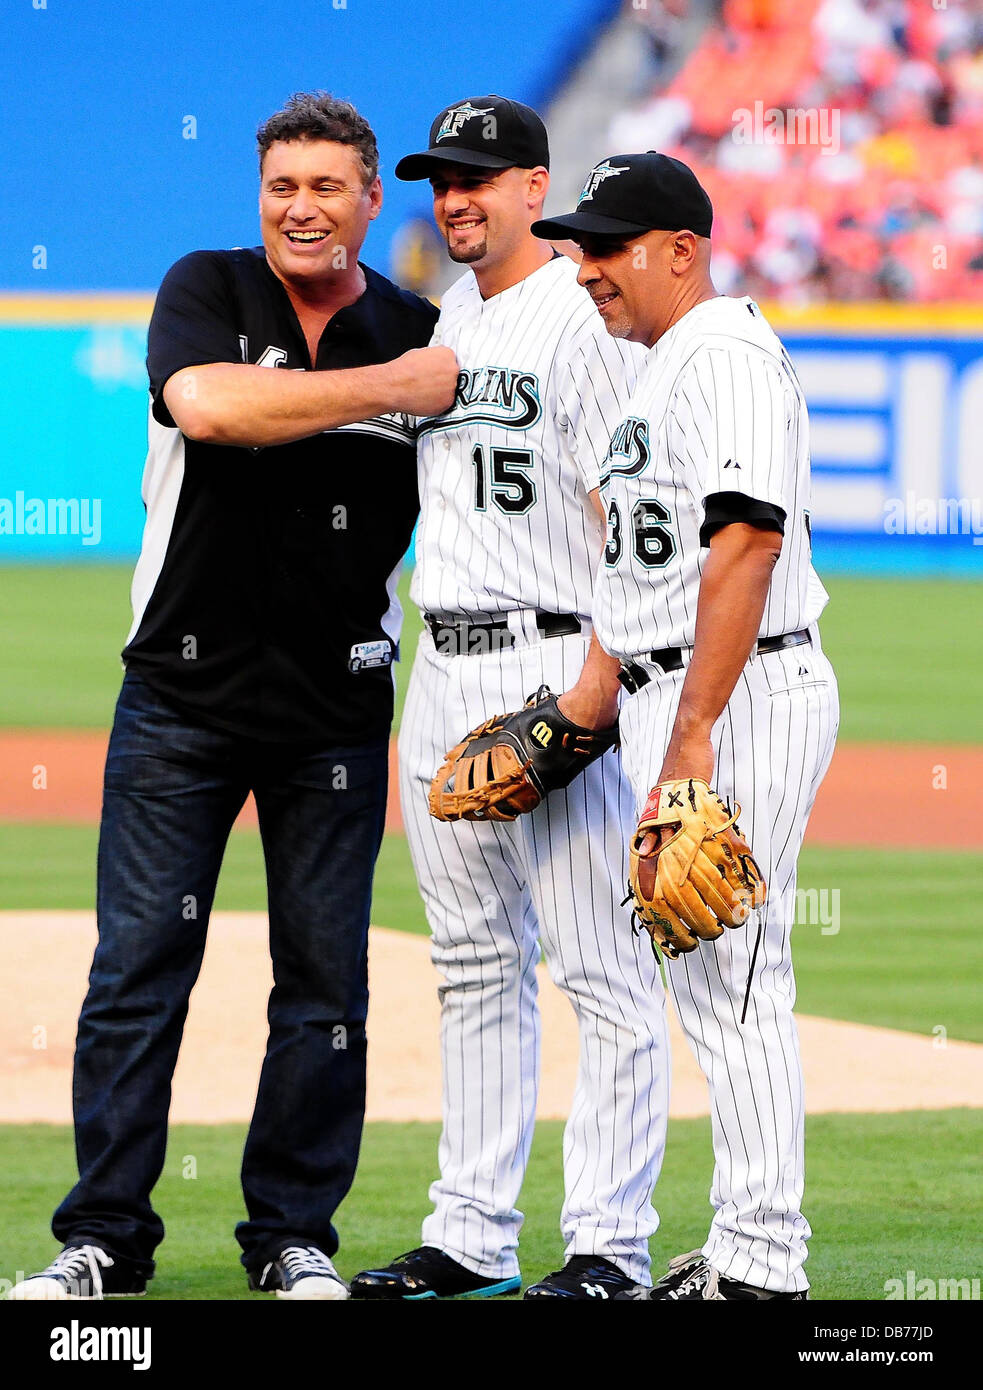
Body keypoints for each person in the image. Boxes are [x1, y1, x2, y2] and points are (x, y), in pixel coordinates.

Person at [9, 91, 457, 1303]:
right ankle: (102, 1240)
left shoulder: (421, 326)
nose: (299, 209)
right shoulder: (204, 286)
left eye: (325, 187)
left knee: (325, 984)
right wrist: (390, 392)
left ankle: (292, 1239)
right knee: (138, 970)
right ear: (257, 197)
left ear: (373, 198)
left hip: (338, 704)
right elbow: (209, 406)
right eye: (280, 187)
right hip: (181, 694)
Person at [349, 96, 670, 1303]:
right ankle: (470, 1232)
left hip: (557, 668)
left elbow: (637, 530)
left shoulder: (583, 325)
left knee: (600, 966)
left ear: (538, 188)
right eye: (442, 179)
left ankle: (604, 1249)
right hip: (441, 667)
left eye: (482, 177)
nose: (457, 198)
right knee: (473, 963)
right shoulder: (443, 320)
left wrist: (593, 698)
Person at [530, 152, 839, 1300]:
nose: (585, 269)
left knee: (736, 979)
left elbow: (747, 540)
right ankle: (744, 1239)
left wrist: (694, 730)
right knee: (712, 978)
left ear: (679, 251)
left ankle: (762, 1269)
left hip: (738, 686)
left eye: (606, 248)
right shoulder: (661, 367)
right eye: (577, 246)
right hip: (686, 686)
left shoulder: (727, 354)